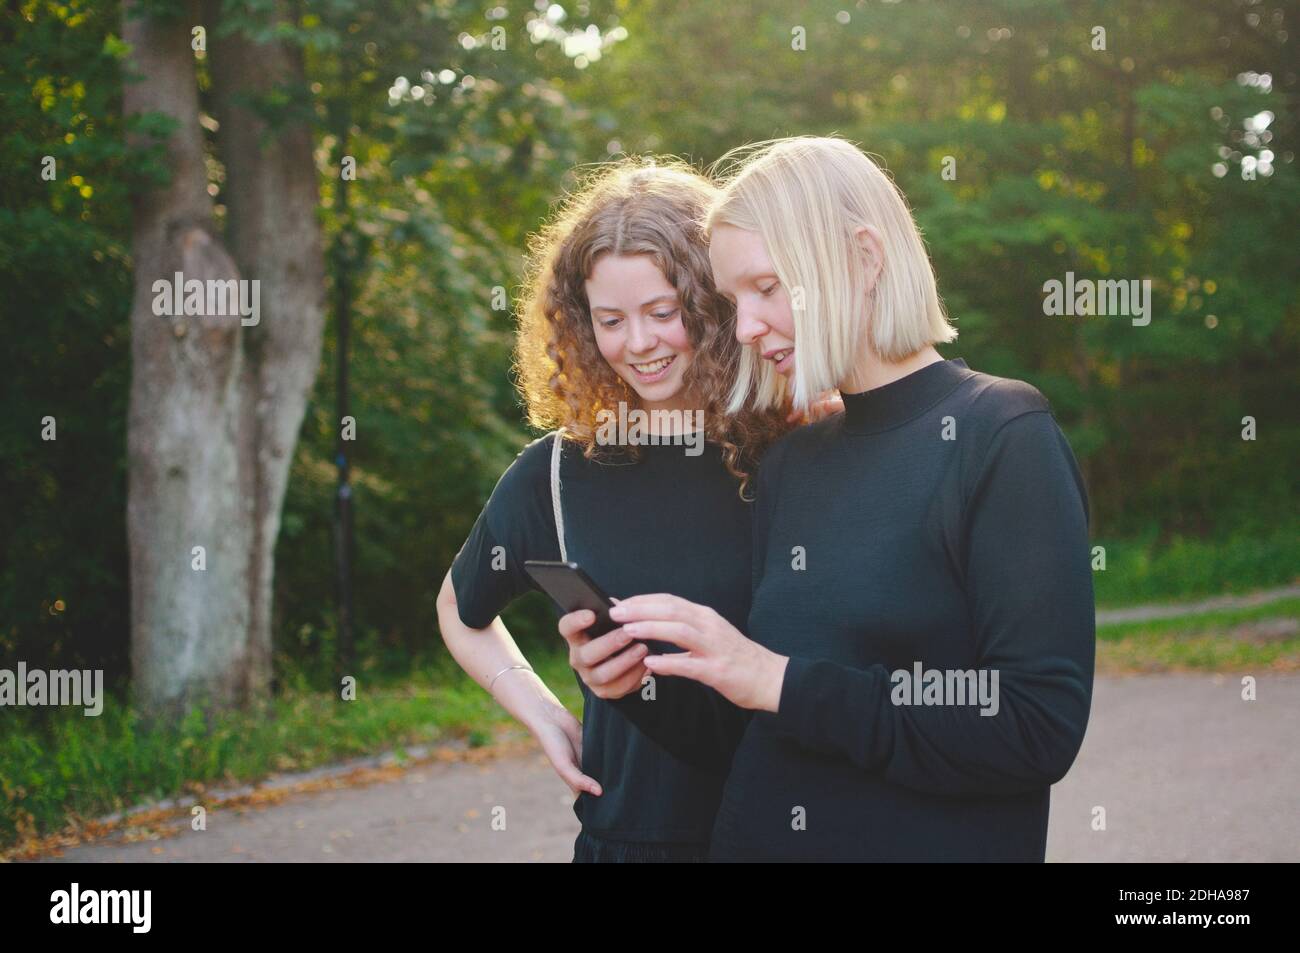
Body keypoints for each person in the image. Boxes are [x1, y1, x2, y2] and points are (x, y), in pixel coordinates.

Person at [563, 136, 1096, 861]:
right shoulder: (794, 460)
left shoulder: (1000, 435)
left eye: (767, 287)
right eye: (732, 299)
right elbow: (763, 728)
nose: (745, 327)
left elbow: (1034, 726)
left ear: (865, 258)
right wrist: (633, 686)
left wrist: (779, 680)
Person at [436, 157, 789, 862]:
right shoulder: (560, 472)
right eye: (610, 320)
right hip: (630, 842)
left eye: (663, 312)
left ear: (714, 301)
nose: (639, 343)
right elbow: (460, 608)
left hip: (791, 834)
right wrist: (545, 714)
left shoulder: (794, 446)